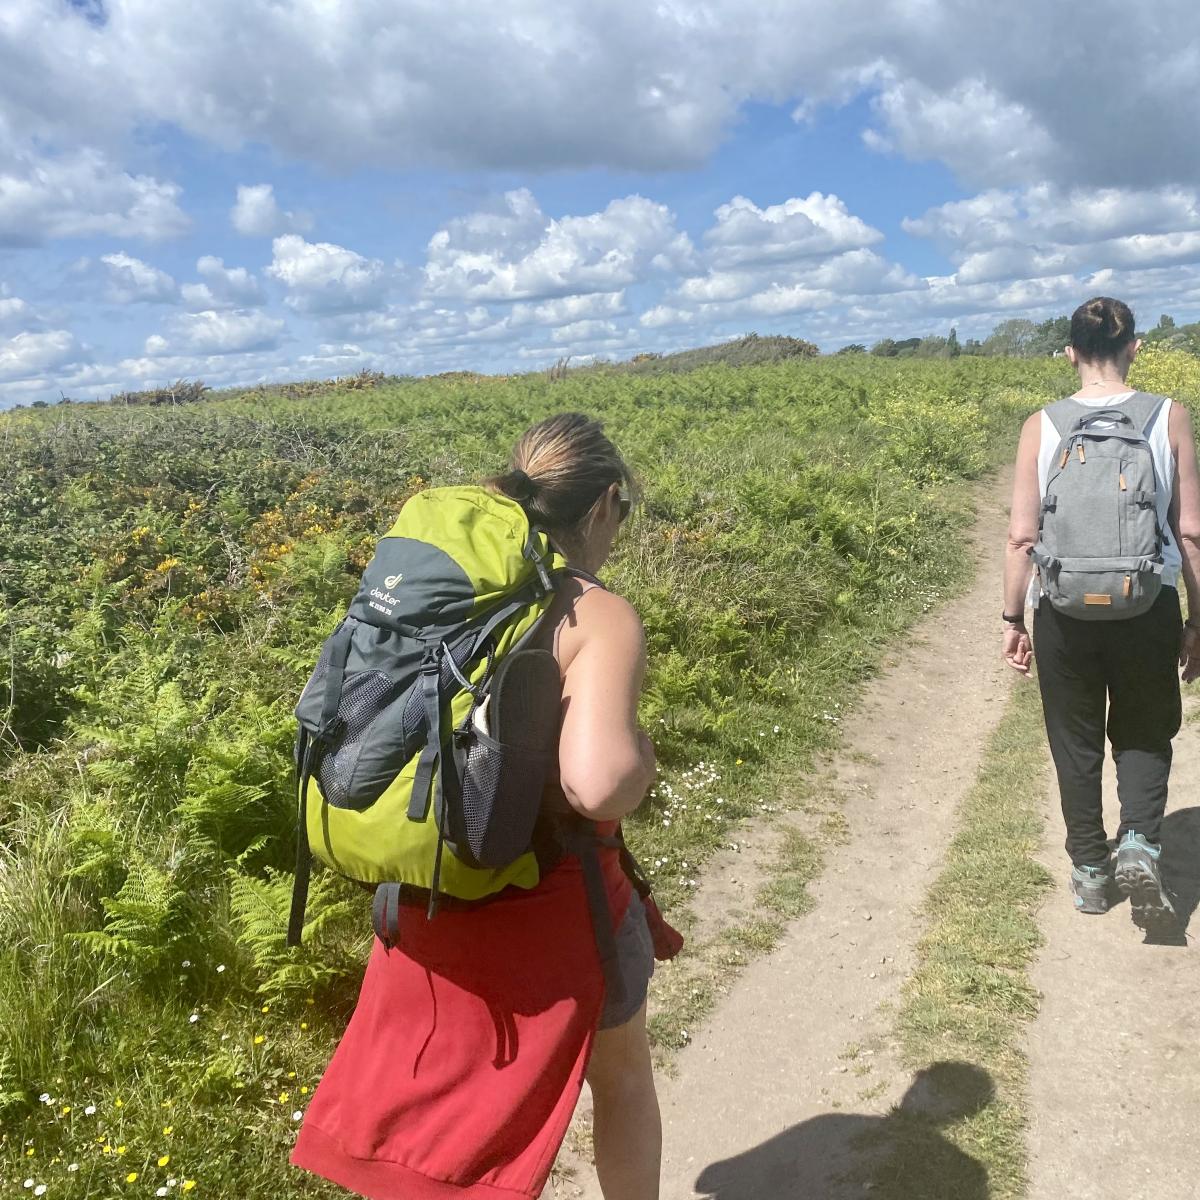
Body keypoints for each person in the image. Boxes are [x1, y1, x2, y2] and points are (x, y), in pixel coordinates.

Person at [291, 412, 664, 1200]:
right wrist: (644, 759)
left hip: (421, 885)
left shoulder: (438, 596)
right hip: (556, 906)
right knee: (623, 1078)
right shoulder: (595, 613)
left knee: (426, 1107)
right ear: (602, 505)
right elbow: (597, 784)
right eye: (622, 513)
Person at [1002, 296, 1200, 927]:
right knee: (1144, 727)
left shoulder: (1043, 424)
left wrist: (1013, 619)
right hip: (1146, 603)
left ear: (1070, 353)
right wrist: (1197, 620)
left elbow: (1020, 537)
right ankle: (1139, 840)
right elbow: (1189, 531)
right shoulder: (1169, 417)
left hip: (1063, 609)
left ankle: (1090, 870)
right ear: (1135, 348)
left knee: (1075, 738)